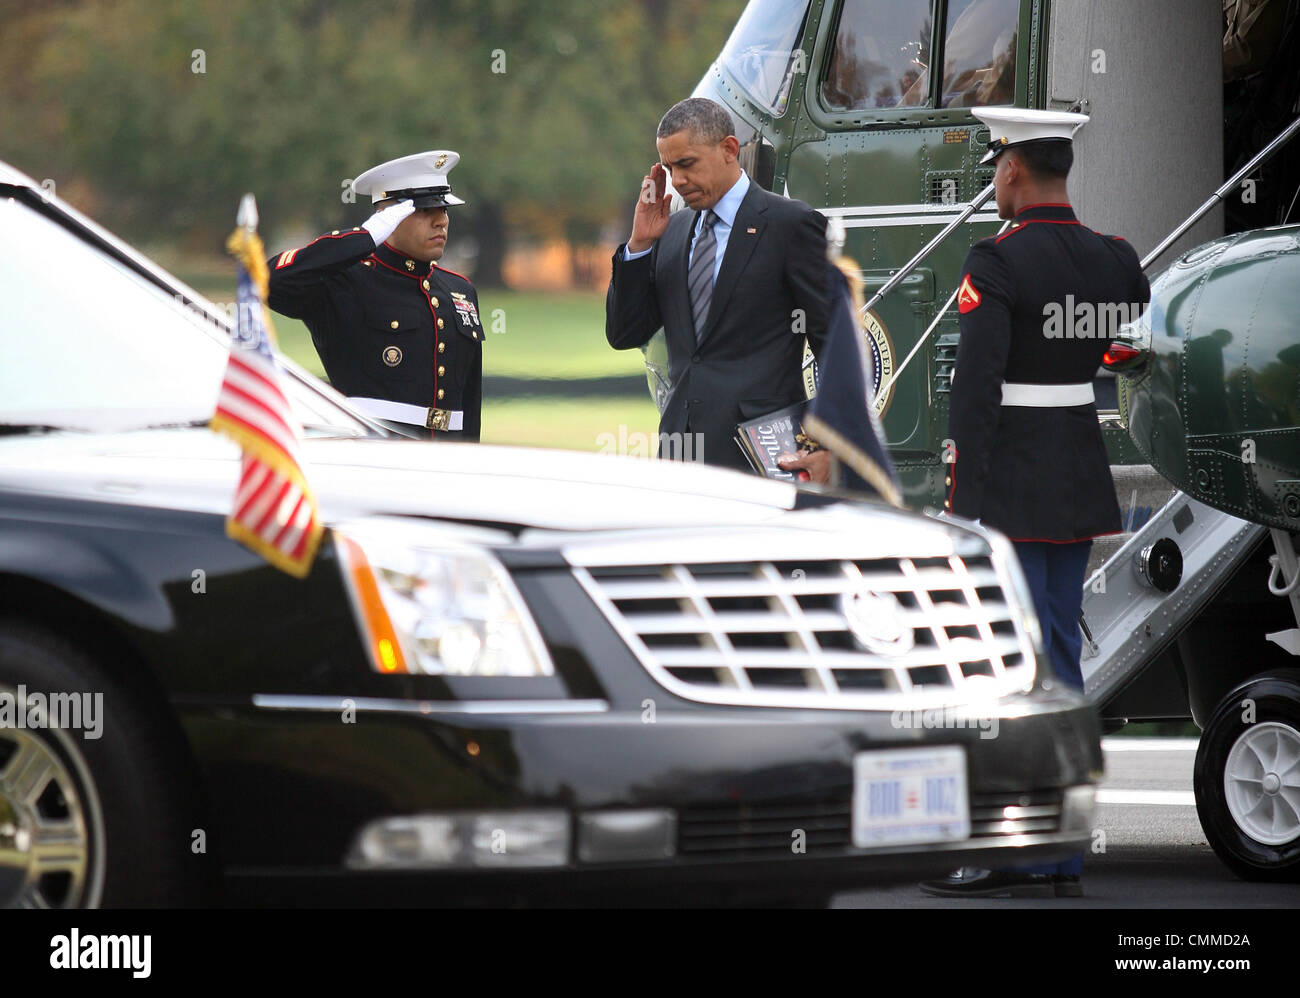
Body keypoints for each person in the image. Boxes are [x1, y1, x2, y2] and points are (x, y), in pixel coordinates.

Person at [920, 107, 1150, 899]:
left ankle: (1011, 848)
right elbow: (1124, 348)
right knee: (1059, 657)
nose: (993, 183)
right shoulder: (1114, 259)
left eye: (995, 169)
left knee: (1007, 668)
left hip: (1011, 487)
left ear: (1013, 169)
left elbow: (975, 393)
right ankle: (1061, 852)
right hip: (1078, 477)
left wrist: (960, 502)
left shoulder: (998, 260)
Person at [605, 97, 831, 473]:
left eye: (687, 164)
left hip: (768, 459)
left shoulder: (791, 224)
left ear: (729, 149)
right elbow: (624, 333)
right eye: (668, 167)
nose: (676, 181)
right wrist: (639, 246)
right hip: (681, 455)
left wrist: (826, 446)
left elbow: (836, 346)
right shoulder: (670, 232)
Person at [267, 150, 483, 440]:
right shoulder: (345, 280)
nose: (441, 221)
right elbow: (269, 281)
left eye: (443, 209)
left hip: (447, 460)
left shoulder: (459, 291)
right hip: (375, 454)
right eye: (423, 210)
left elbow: (468, 403)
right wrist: (364, 238)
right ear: (387, 216)